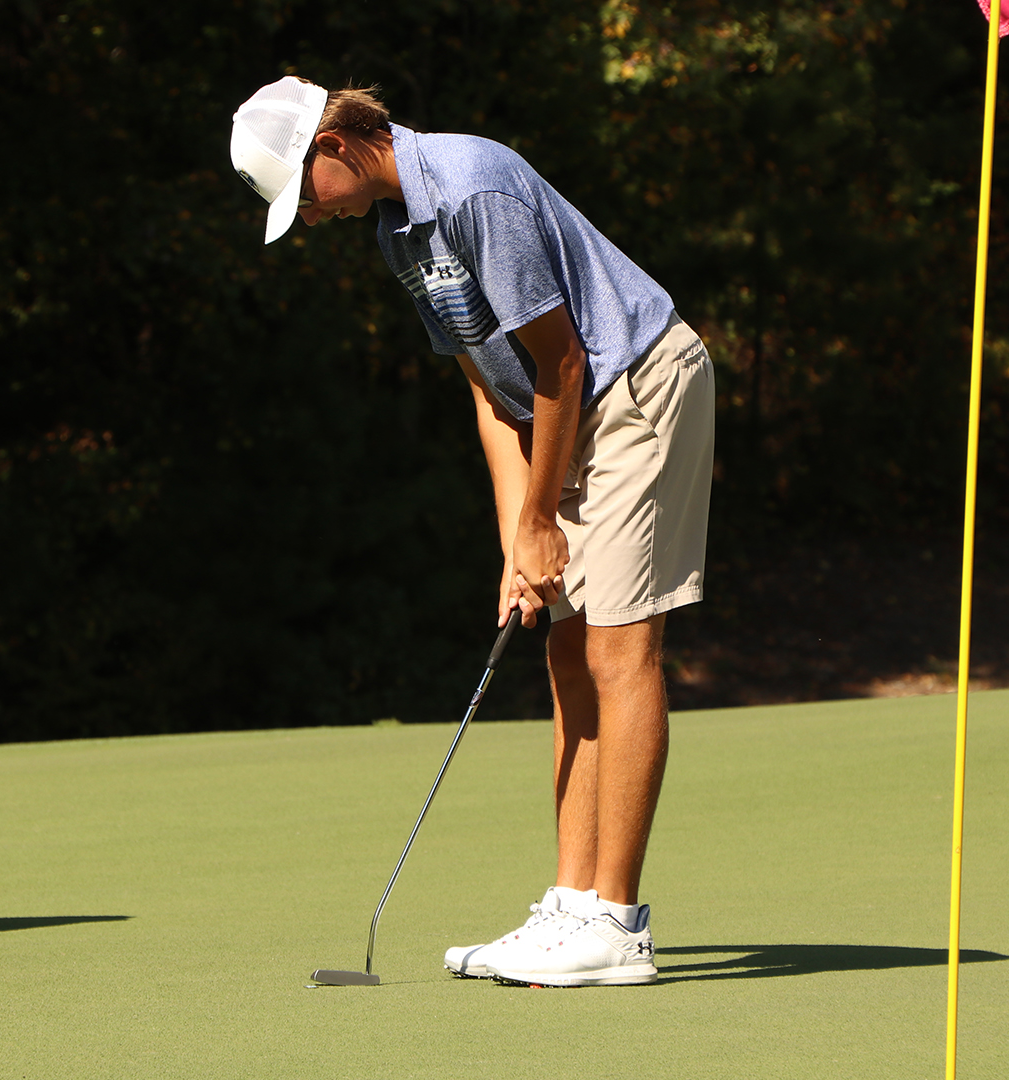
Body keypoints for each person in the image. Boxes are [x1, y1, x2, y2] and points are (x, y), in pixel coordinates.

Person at [231, 78, 714, 986]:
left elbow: (562, 356)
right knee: (563, 652)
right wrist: (515, 542)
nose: (309, 219)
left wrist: (541, 516)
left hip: (636, 385)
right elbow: (492, 395)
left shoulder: (467, 185)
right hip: (558, 410)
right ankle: (573, 907)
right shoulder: (397, 230)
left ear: (334, 145)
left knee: (620, 649)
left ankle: (618, 924)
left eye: (304, 196)